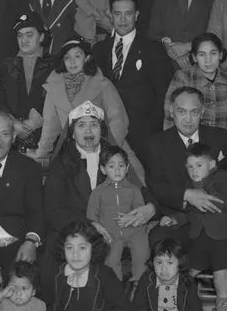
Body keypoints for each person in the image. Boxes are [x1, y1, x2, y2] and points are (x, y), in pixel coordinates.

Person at [41, 101, 151, 254]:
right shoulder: (61, 163)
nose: (88, 130)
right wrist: (90, 225)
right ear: (72, 133)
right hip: (75, 231)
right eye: (81, 125)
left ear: (101, 130)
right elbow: (54, 211)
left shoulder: (115, 158)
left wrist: (151, 208)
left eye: (94, 124)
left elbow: (142, 191)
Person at [31, 39, 141, 179]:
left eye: (77, 56)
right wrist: (41, 153)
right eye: (67, 57)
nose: (72, 62)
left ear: (87, 58)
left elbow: (119, 121)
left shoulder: (102, 83)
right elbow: (50, 127)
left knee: (131, 191)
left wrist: (108, 154)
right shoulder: (53, 85)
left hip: (109, 146)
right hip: (72, 151)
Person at [146, 87, 227, 252]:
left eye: (194, 112)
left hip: (218, 217)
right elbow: (157, 186)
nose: (188, 119)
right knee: (160, 242)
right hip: (178, 217)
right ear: (172, 112)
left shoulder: (222, 137)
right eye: (181, 112)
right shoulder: (157, 143)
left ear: (202, 112)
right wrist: (187, 195)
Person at [93, 0, 173, 172]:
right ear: (110, 15)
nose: (122, 19)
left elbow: (163, 93)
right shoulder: (98, 49)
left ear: (136, 15)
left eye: (128, 14)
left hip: (143, 136)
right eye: (117, 14)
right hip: (107, 134)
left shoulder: (154, 49)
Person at [177, 142, 227, 311]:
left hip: (222, 241)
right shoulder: (188, 186)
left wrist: (209, 196)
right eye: (190, 167)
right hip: (199, 240)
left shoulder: (221, 177)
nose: (194, 170)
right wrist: (181, 211)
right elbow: (187, 210)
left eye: (199, 165)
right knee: (186, 277)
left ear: (211, 165)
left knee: (221, 283)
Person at [0, 112, 45, 277]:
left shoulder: (29, 168)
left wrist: (31, 242)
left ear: (14, 137)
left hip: (17, 242)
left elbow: (37, 211)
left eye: (5, 134)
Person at [0, 12, 55, 154]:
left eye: (29, 35)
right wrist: (13, 123)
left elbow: (56, 97)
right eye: (20, 35)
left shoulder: (55, 66)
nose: (24, 40)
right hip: (10, 135)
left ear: (42, 37)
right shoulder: (5, 66)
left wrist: (33, 123)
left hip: (45, 136)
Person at [86, 145, 149, 286]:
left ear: (127, 168)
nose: (117, 169)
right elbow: (91, 214)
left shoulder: (134, 189)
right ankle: (114, 284)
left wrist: (131, 218)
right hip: (110, 232)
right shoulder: (98, 192)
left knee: (142, 251)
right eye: (112, 166)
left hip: (133, 229)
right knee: (111, 257)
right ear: (103, 169)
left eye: (121, 165)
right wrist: (97, 226)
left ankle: (140, 281)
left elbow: (139, 209)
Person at [163, 32, 227, 139]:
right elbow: (169, 114)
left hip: (223, 143)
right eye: (202, 54)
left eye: (213, 53)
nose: (208, 60)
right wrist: (170, 142)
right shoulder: (183, 77)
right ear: (194, 57)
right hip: (193, 145)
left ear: (221, 55)